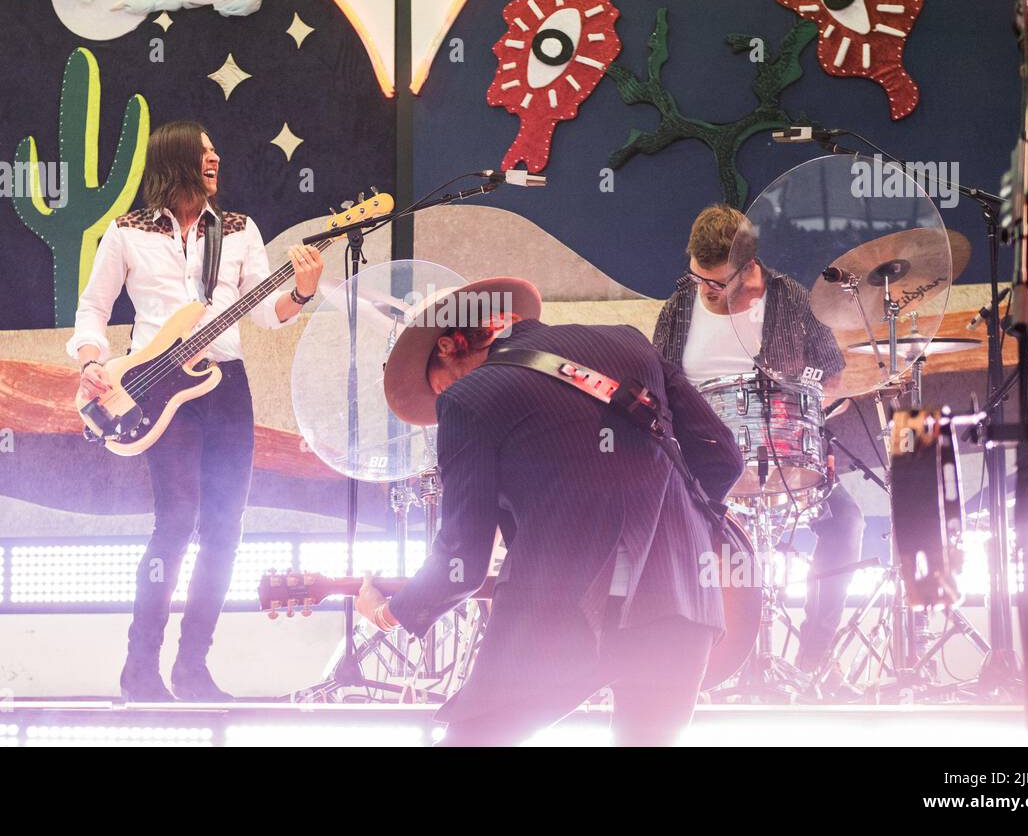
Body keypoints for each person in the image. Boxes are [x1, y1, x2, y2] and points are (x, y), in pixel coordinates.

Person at [358, 277, 744, 745]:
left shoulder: (466, 399)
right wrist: (683, 537)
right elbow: (723, 457)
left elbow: (462, 564)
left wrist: (389, 614)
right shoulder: (628, 341)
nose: (442, 404)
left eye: (438, 390)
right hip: (679, 607)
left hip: (559, 618)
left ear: (448, 347)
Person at [67, 120, 324, 702]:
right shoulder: (127, 232)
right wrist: (91, 360)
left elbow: (266, 312)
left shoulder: (239, 231)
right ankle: (140, 669)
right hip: (155, 385)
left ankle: (192, 668)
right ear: (176, 160)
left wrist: (303, 292)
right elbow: (93, 306)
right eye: (203, 152)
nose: (215, 158)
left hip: (225, 386)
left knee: (225, 531)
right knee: (176, 525)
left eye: (215, 150)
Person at [653, 204, 864, 675]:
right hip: (702, 467)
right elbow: (658, 389)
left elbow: (833, 378)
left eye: (716, 282)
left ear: (749, 267)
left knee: (847, 524)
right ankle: (713, 661)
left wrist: (808, 414)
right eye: (698, 278)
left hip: (786, 454)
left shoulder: (791, 298)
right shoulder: (679, 307)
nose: (704, 290)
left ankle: (813, 656)